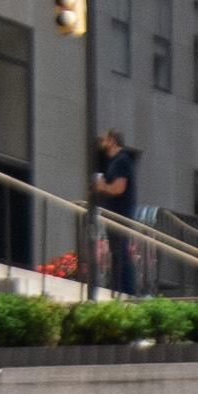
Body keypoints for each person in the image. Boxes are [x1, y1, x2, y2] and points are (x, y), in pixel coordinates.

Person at [87, 123, 140, 291]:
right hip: (115, 214)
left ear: (112, 141)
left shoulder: (121, 160)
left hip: (120, 215)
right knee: (117, 254)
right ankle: (120, 289)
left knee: (121, 254)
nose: (101, 142)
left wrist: (102, 187)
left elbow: (118, 188)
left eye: (104, 139)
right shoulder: (114, 162)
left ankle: (125, 291)